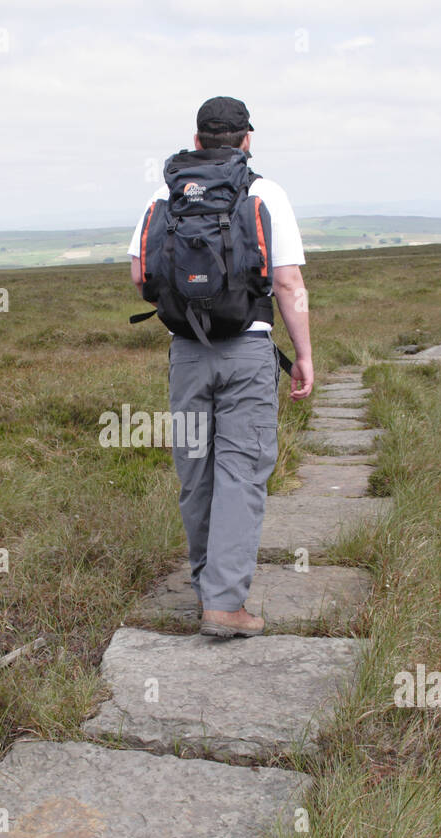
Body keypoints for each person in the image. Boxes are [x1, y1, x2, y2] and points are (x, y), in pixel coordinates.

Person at [127, 96, 314, 638]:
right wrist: (302, 355)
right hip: (249, 350)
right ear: (247, 139)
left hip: (186, 353)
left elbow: (142, 275)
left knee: (196, 471)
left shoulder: (164, 193)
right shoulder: (265, 192)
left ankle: (207, 582)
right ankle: (225, 605)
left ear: (198, 137)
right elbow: (287, 283)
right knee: (241, 472)